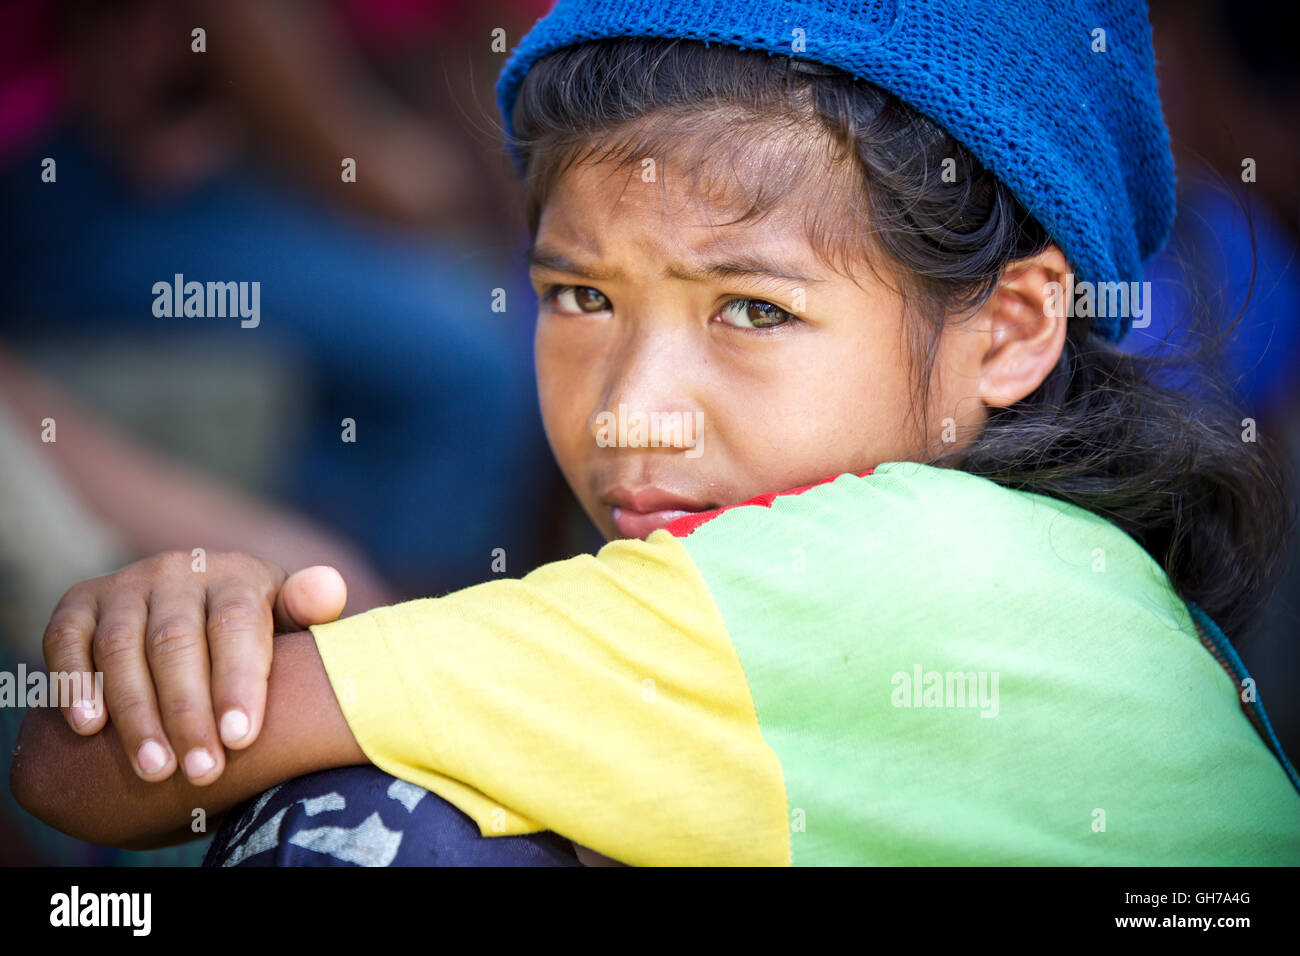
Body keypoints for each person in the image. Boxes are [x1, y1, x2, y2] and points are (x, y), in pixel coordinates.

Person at [12, 0, 1300, 866]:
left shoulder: (855, 576)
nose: (632, 403)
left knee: (370, 821)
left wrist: (181, 654)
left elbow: (87, 763)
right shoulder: (1085, 578)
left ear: (1010, 330)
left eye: (754, 310)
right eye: (582, 297)